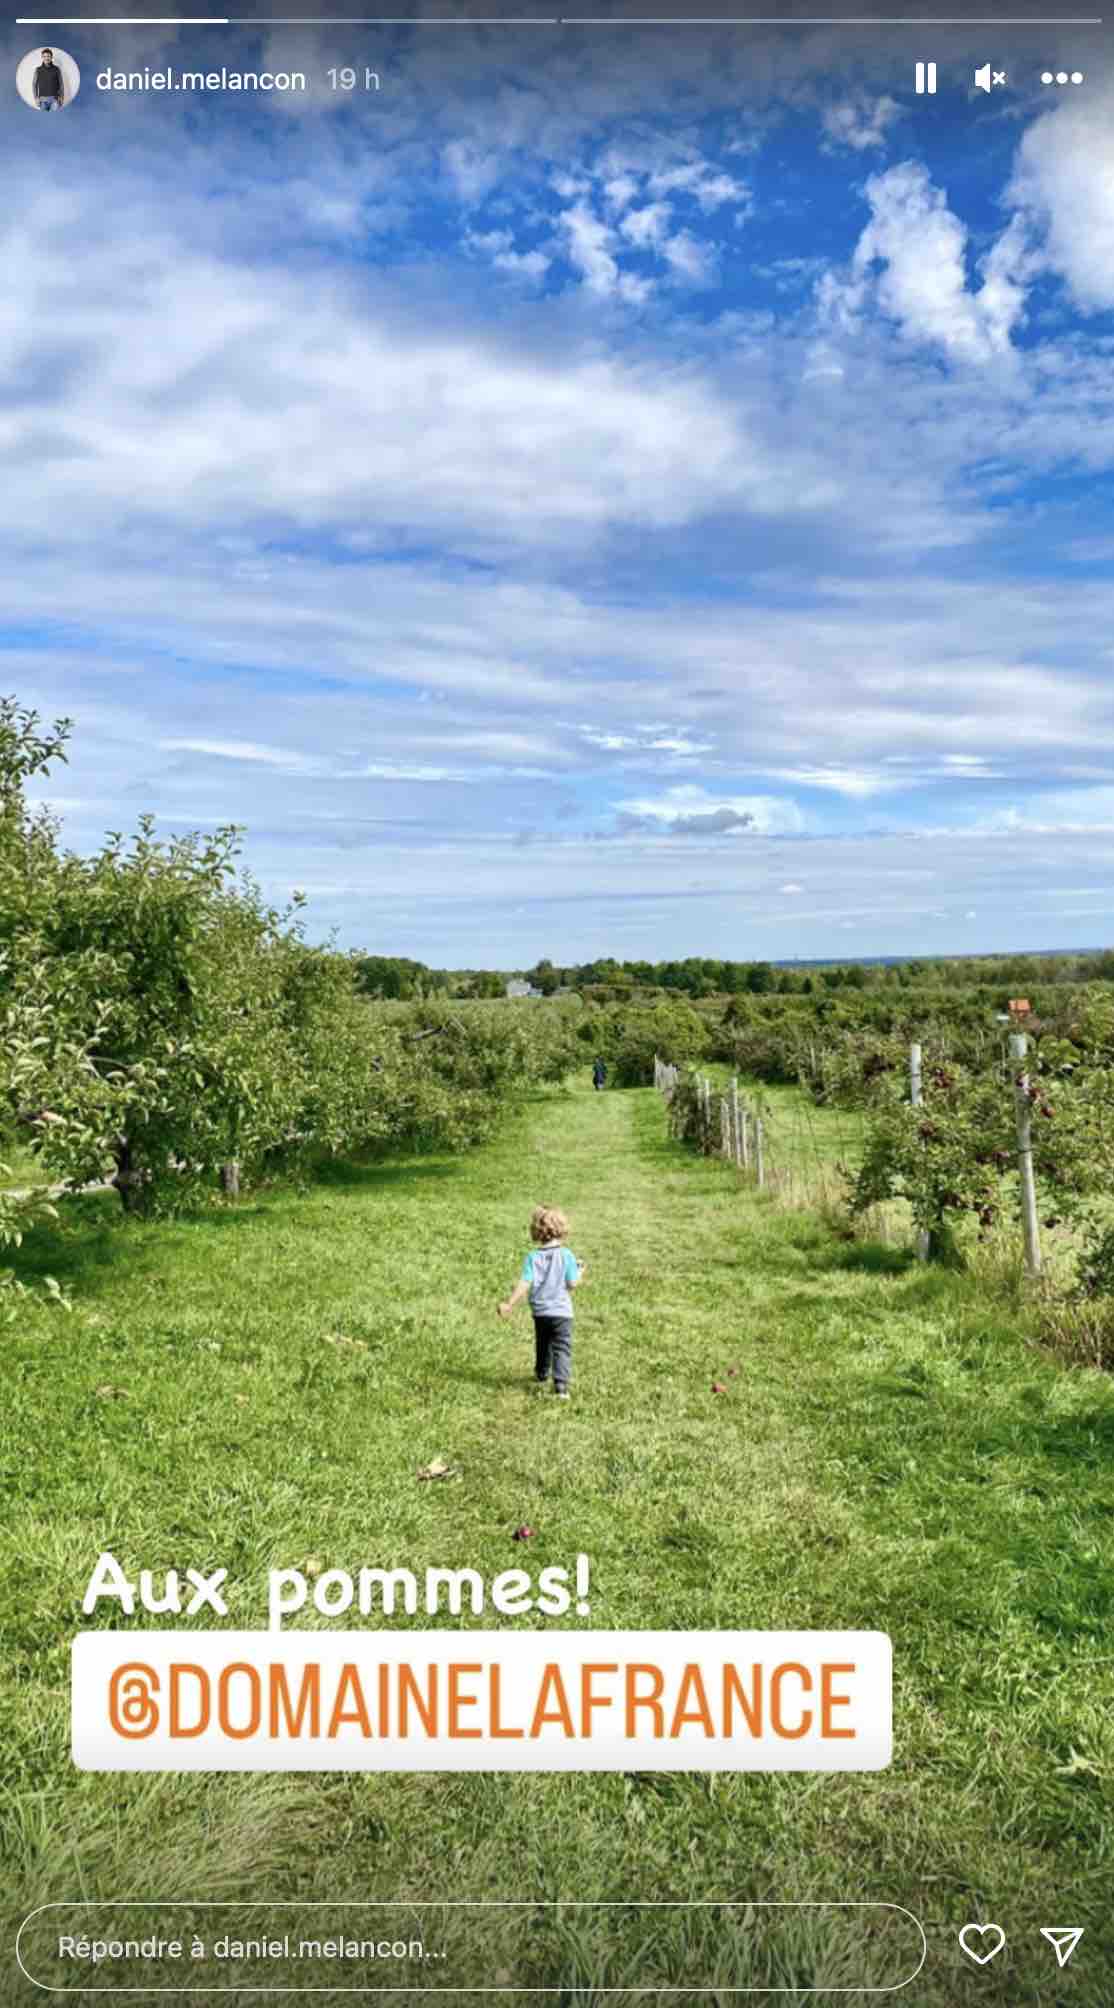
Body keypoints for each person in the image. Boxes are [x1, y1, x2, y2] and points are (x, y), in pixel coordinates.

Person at [498, 1204, 585, 1399]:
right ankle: (561, 1386)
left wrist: (509, 1303)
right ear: (561, 1230)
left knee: (543, 1342)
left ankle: (541, 1372)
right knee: (561, 1346)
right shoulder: (567, 1255)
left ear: (536, 1231)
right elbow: (572, 1284)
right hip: (562, 1312)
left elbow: (525, 1282)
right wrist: (579, 1271)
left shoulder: (533, 1257)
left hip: (540, 1312)